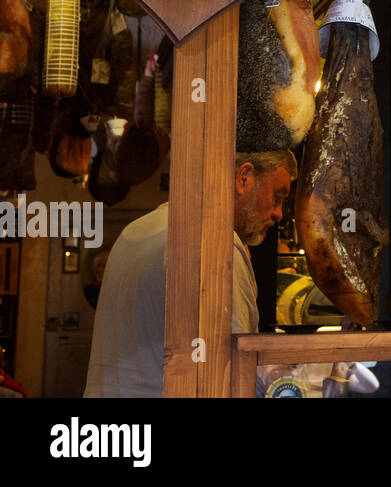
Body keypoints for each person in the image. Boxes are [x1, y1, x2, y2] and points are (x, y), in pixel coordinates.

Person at [83, 150, 296, 397]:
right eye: (277, 196)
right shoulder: (214, 243)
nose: (278, 213)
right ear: (244, 177)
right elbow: (235, 366)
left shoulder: (134, 231)